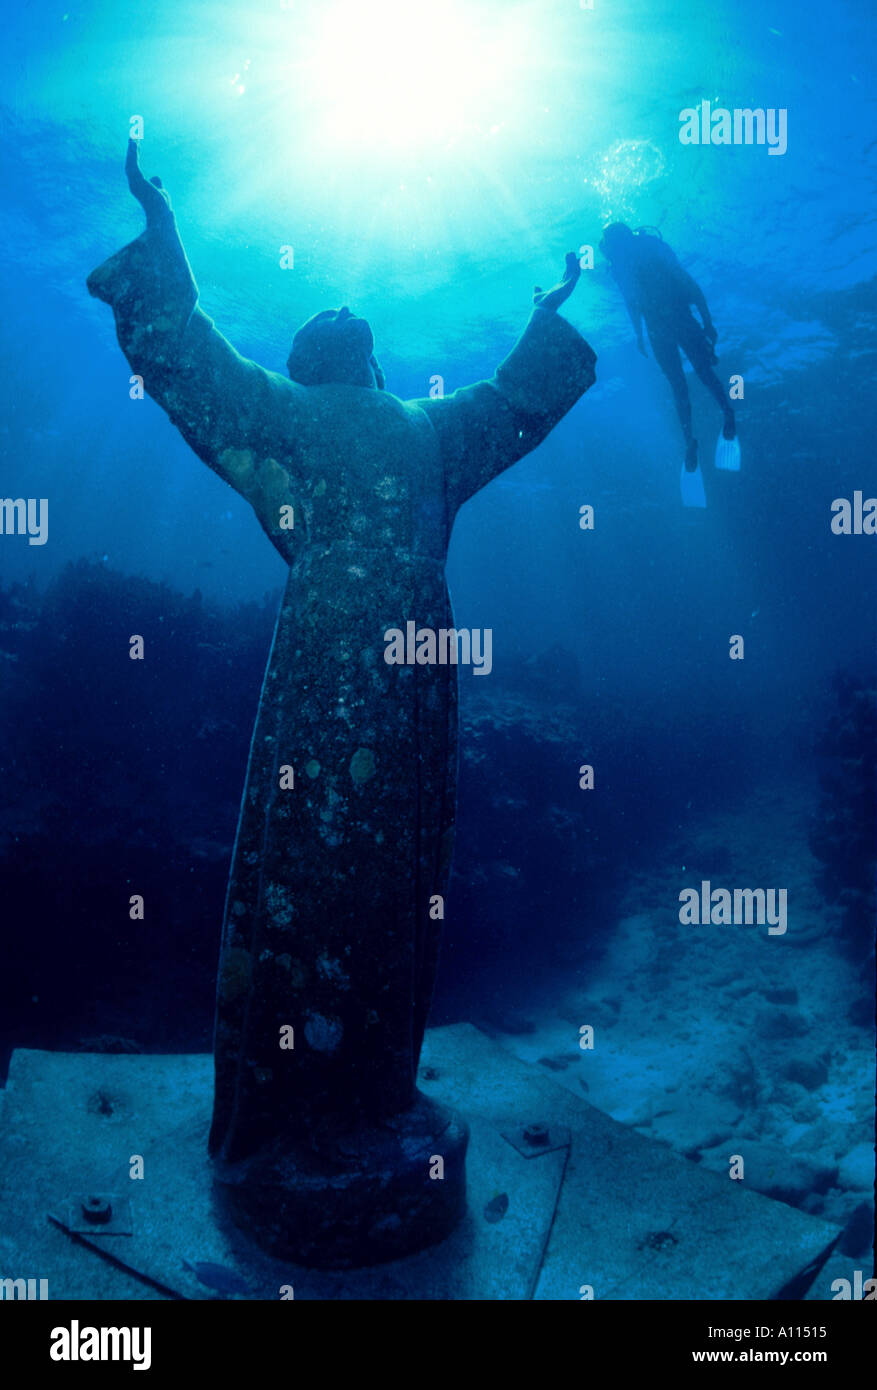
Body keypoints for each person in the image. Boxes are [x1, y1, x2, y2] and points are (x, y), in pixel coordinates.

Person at [87, 141, 597, 1164]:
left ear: (313, 366)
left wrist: (163, 227)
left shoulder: (299, 413)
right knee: (400, 860)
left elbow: (188, 354)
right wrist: (550, 311)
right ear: (366, 363)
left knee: (310, 850)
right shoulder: (430, 424)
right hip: (415, 649)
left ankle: (301, 1093)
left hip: (326, 644)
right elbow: (517, 399)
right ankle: (365, 1083)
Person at [600, 222, 735, 472]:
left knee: (698, 377)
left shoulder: (650, 250)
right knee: (681, 385)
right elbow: (633, 303)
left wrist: (707, 323)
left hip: (675, 321)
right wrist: (639, 335)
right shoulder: (621, 268)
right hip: (661, 328)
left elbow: (689, 286)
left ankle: (725, 415)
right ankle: (691, 441)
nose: (611, 251)